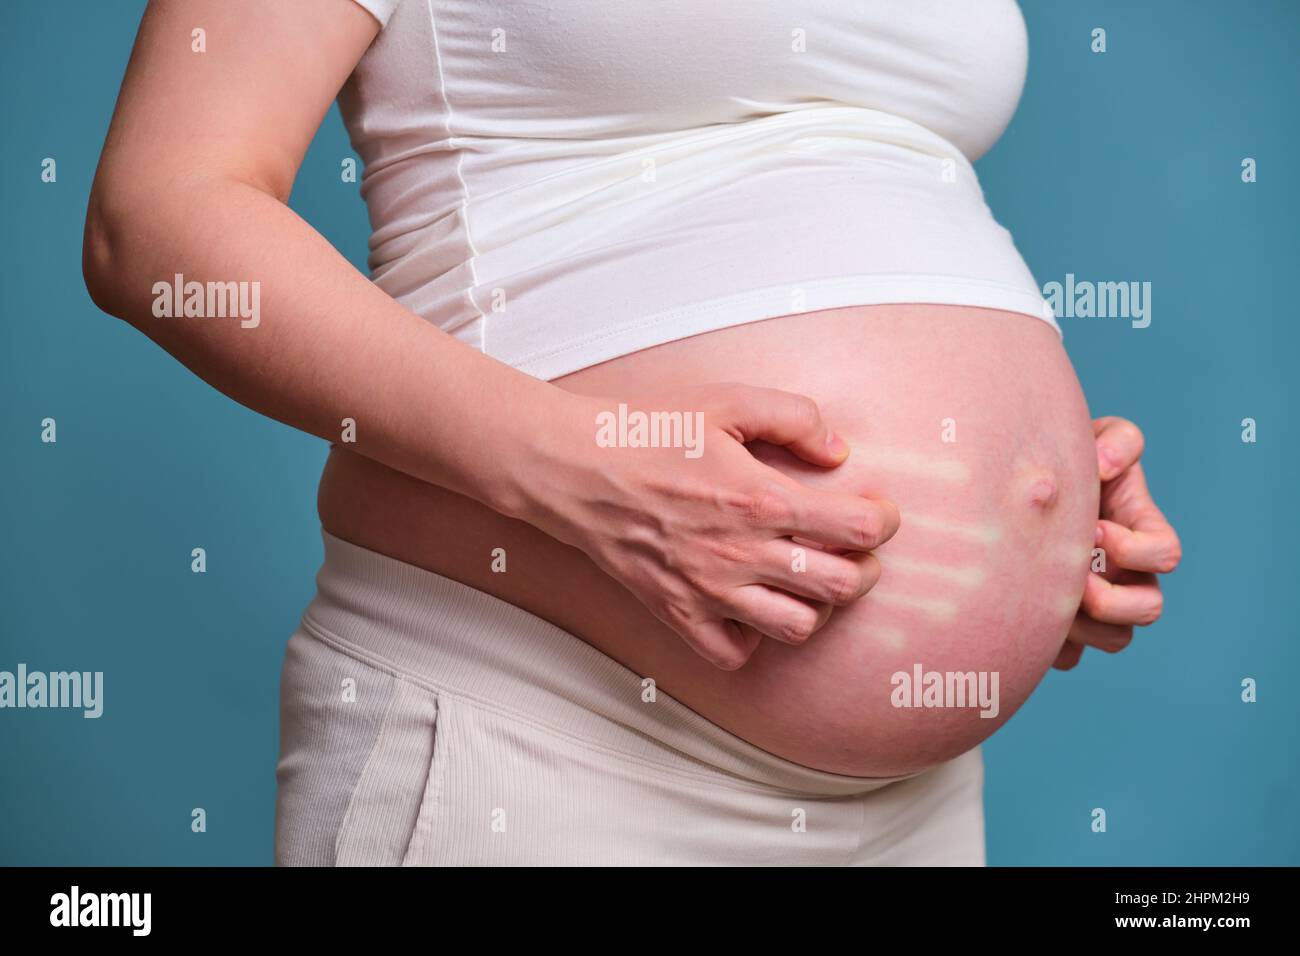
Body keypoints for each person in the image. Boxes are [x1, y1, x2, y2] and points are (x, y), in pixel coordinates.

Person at [83, 0, 1181, 865]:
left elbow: (843, 184)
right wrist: (586, 467)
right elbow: (156, 219)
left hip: (916, 810)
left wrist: (1017, 517)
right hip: (544, 737)